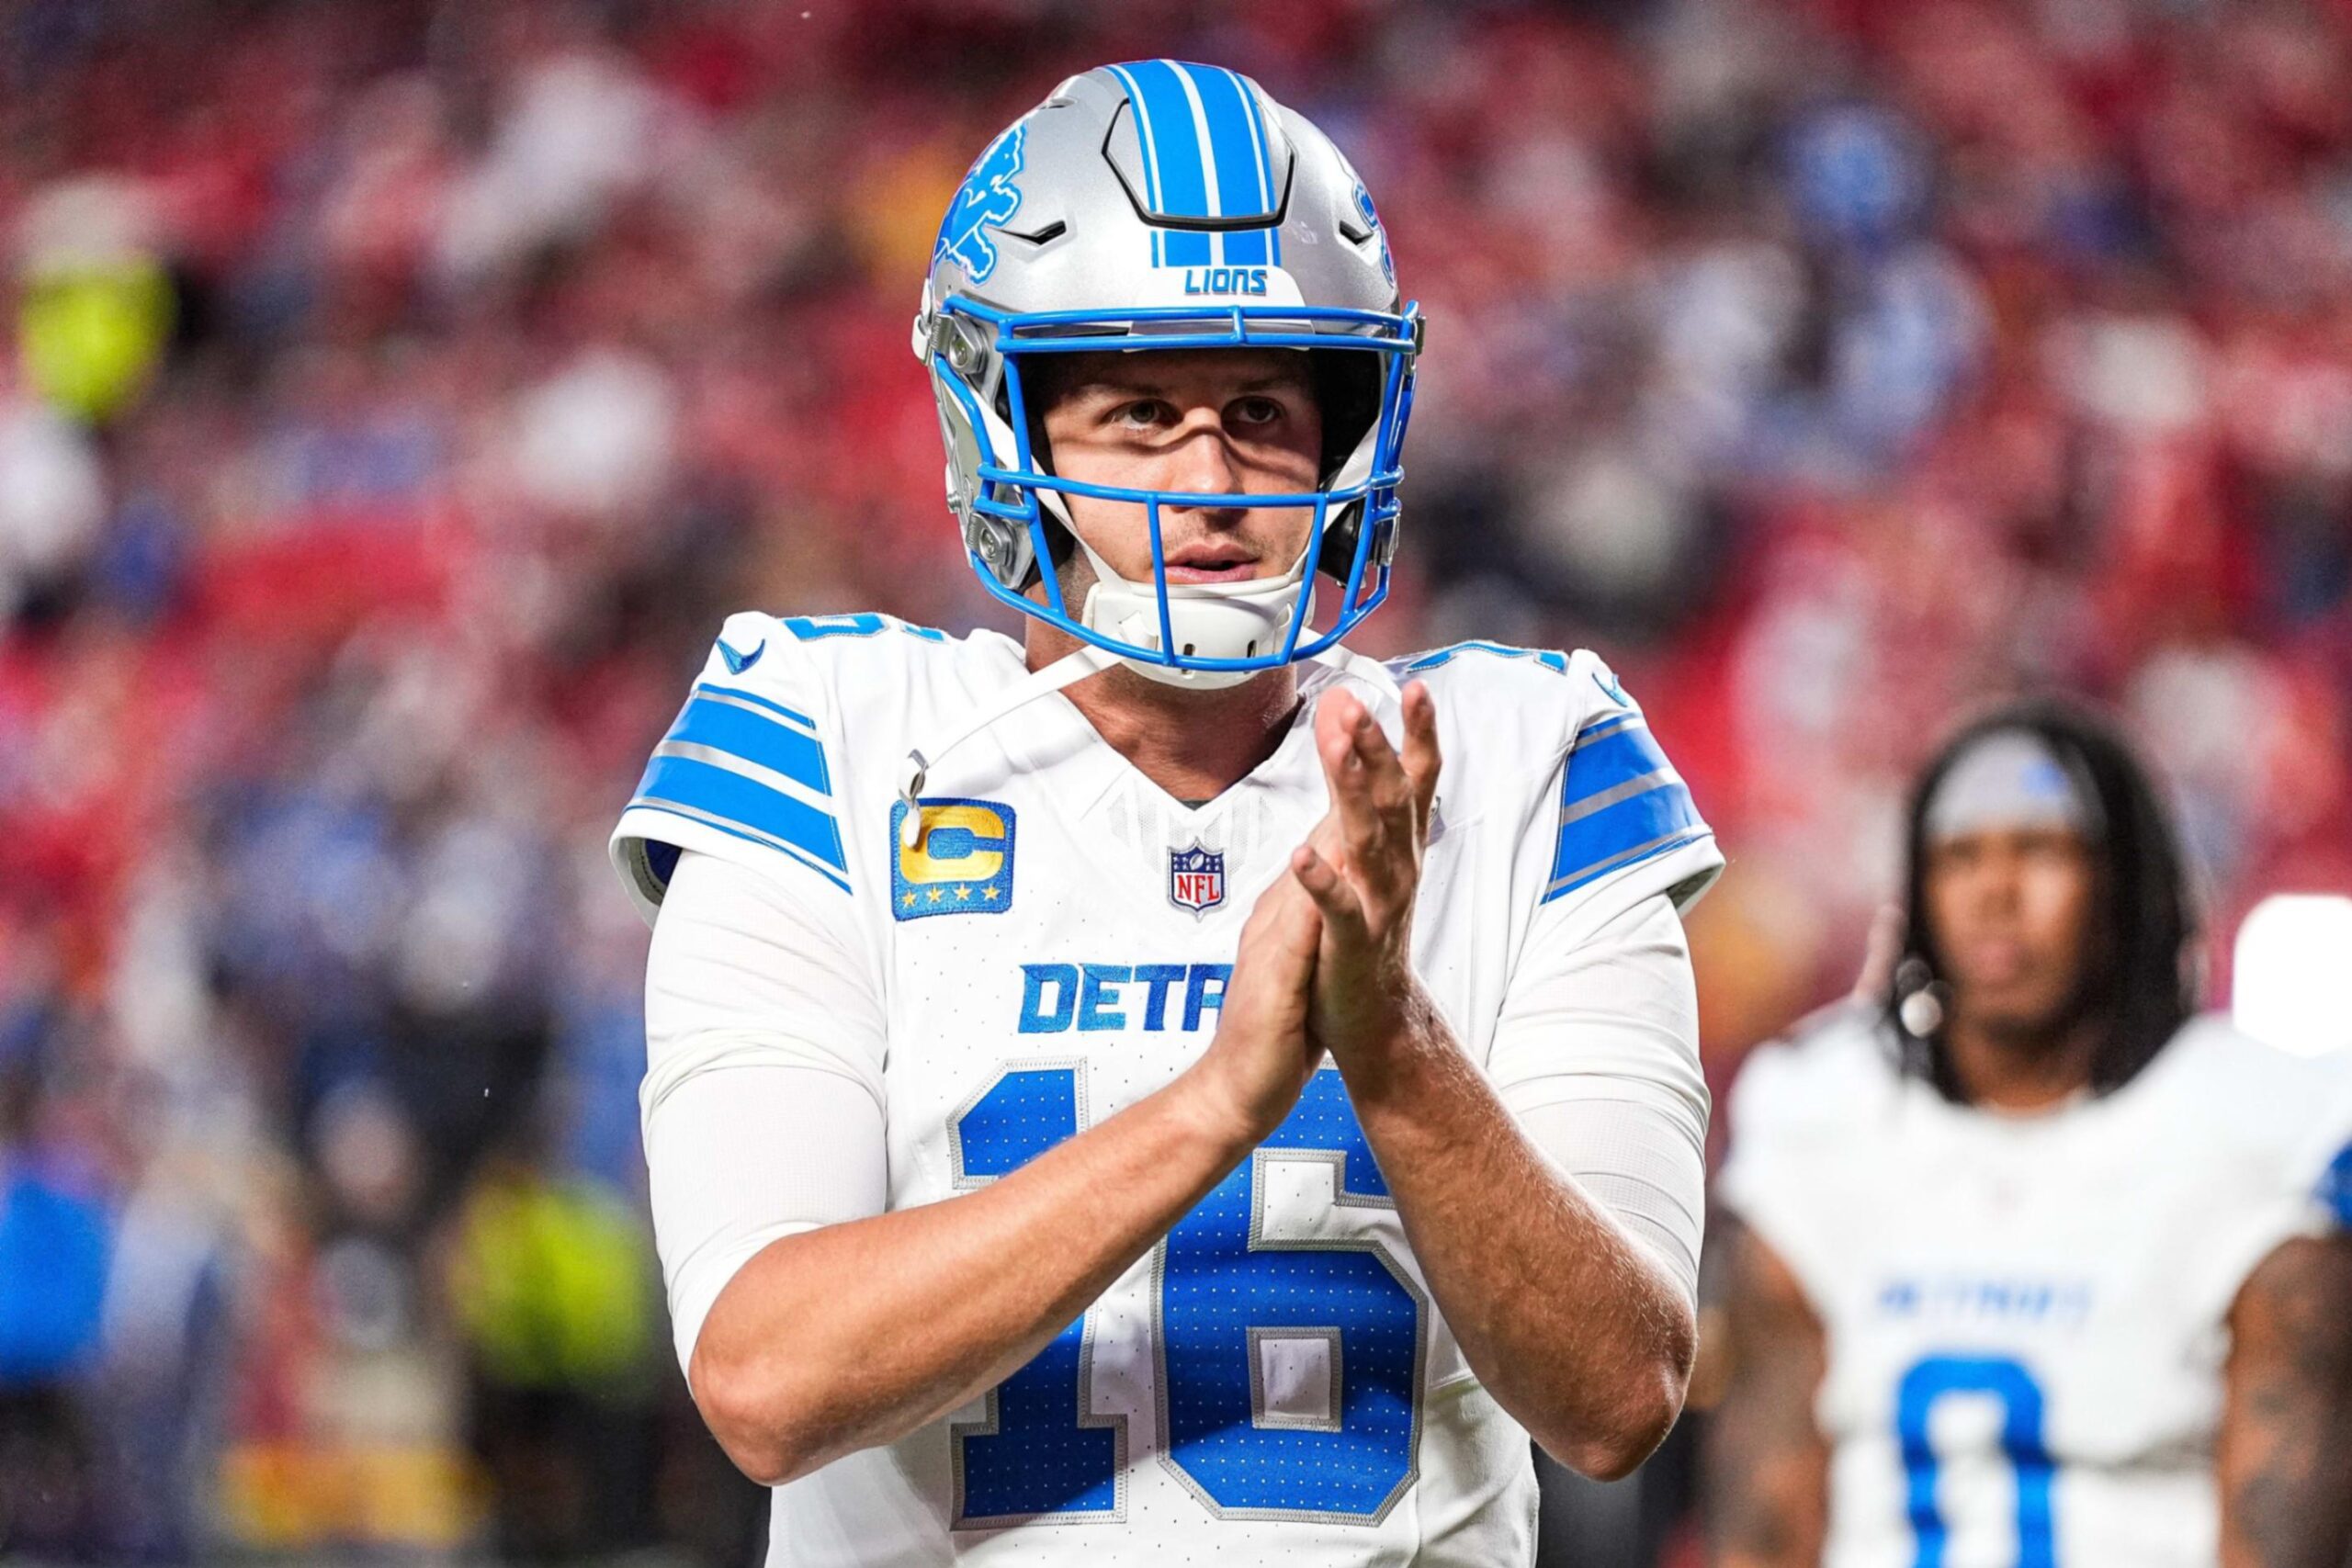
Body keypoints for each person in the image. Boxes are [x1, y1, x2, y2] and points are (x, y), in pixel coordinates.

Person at [610, 61, 1724, 1565]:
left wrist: (1390, 1040)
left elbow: (1619, 1394)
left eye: (1261, 409)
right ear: (1006, 424)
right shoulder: (829, 741)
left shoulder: (1525, 759)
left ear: (1346, 431)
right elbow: (766, 1376)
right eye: (1140, 410)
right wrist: (1215, 1101)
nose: (1209, 479)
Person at [1707, 700, 2352, 1567]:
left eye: (2041, 850)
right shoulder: (1822, 1115)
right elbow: (1764, 1522)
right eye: (1960, 855)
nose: (1995, 892)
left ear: (2126, 884)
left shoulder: (2263, 1132)